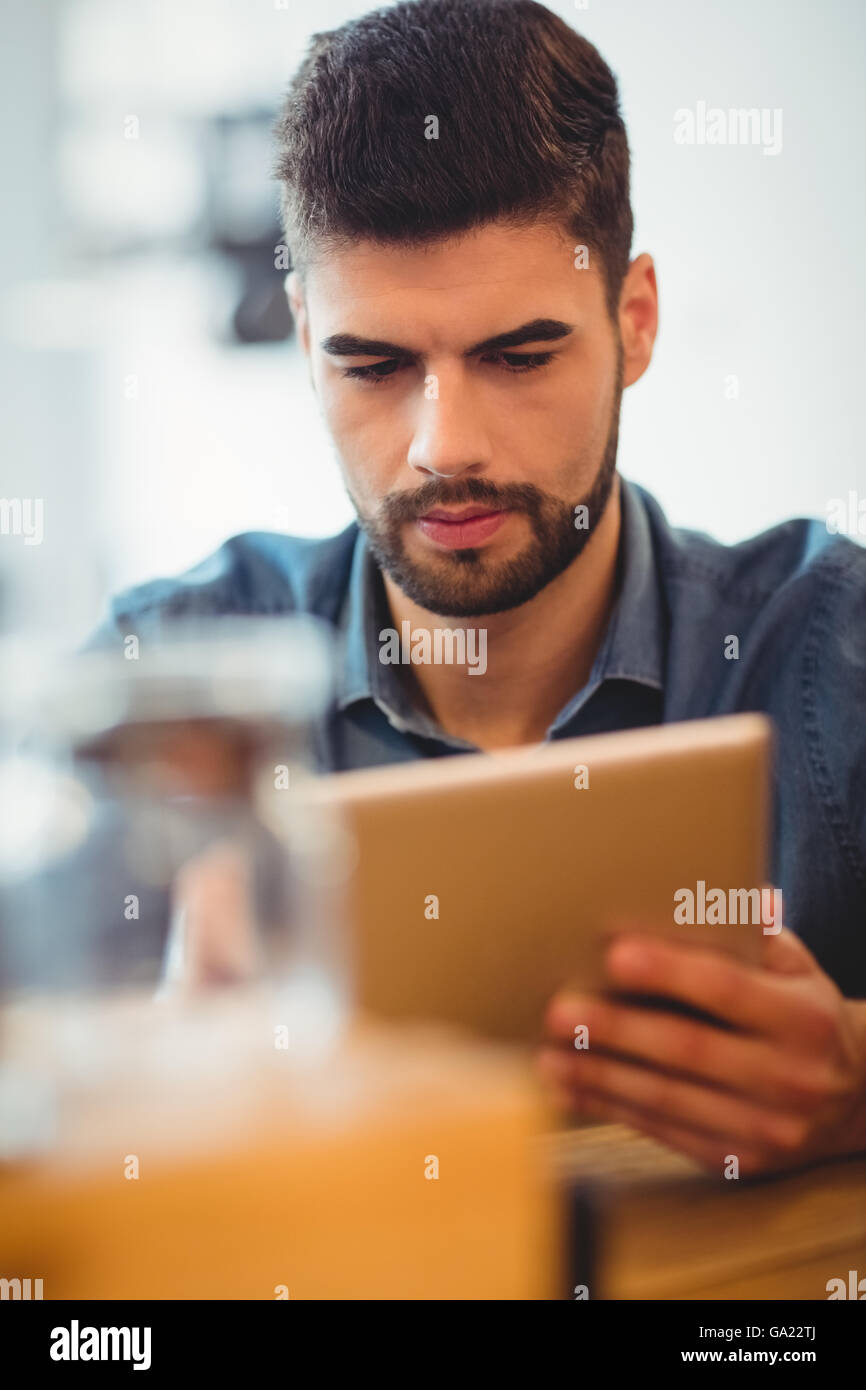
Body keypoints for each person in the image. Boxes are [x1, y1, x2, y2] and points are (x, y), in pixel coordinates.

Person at [90, 0, 866, 1174]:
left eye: (518, 355)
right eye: (374, 364)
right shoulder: (161, 680)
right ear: (306, 341)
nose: (443, 446)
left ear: (634, 321)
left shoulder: (836, 650)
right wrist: (145, 1074)